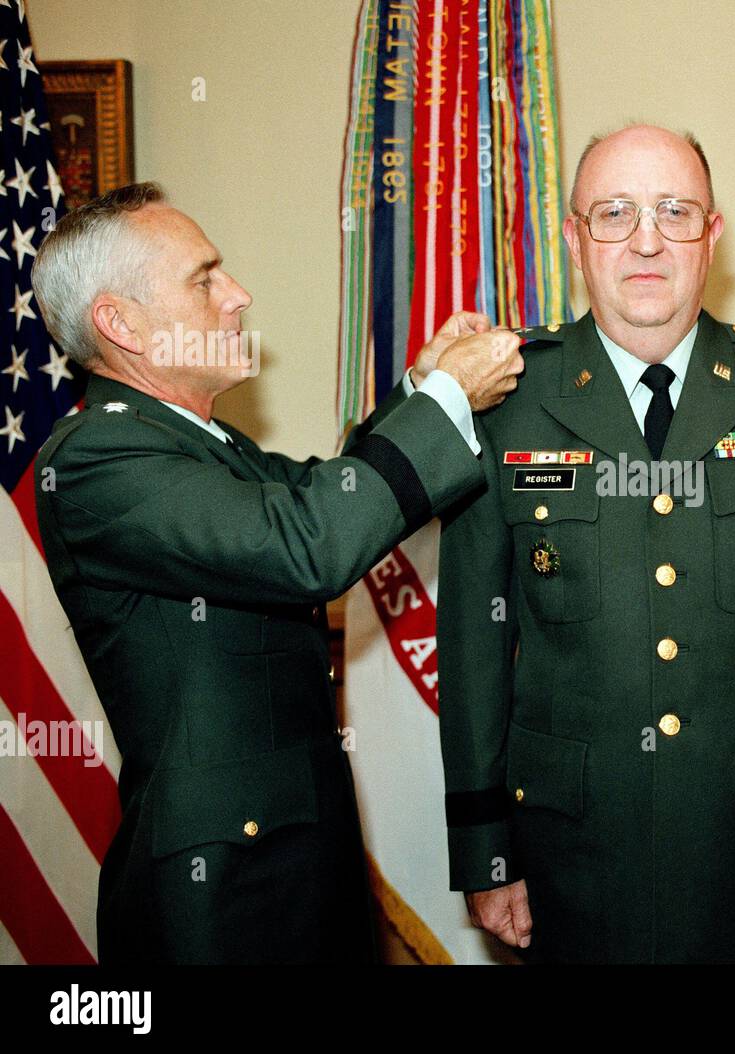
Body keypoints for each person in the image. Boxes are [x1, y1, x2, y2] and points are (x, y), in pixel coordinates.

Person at [31, 182, 523, 963]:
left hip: (292, 872)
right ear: (119, 324)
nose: (237, 296)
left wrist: (417, 387)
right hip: (225, 901)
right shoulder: (99, 459)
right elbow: (308, 545)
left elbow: (322, 492)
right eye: (203, 278)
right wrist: (448, 398)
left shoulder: (200, 443)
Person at [436, 125, 735, 963]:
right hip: (570, 853)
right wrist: (483, 847)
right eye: (614, 213)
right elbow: (471, 645)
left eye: (675, 212)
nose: (646, 240)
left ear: (713, 234)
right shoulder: (503, 400)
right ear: (573, 236)